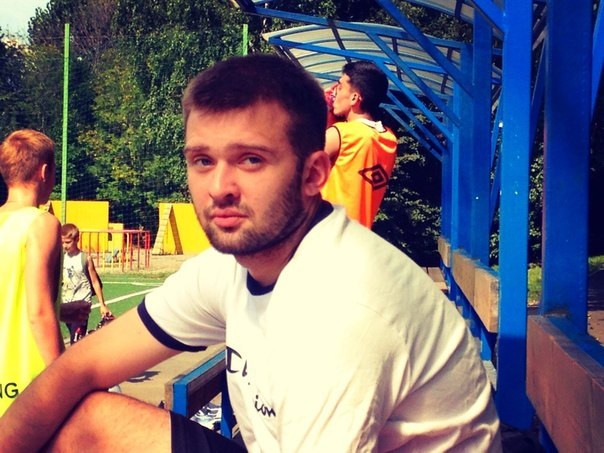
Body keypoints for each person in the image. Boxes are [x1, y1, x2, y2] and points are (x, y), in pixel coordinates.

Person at [0, 54, 501, 452]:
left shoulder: (344, 310)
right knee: (84, 420)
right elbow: (77, 367)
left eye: (251, 159)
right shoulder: (231, 265)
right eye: (202, 160)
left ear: (313, 175)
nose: (219, 187)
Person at [0, 129, 64, 416]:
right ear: (45, 172)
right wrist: (64, 380)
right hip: (26, 382)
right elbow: (37, 312)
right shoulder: (41, 223)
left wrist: (63, 309)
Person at [322, 60, 398, 228]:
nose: (334, 91)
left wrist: (319, 108)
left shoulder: (342, 134)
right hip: (358, 236)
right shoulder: (389, 138)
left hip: (325, 234)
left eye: (340, 86)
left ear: (354, 97)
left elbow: (295, 165)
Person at [60, 223, 112, 344]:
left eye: (68, 242)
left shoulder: (85, 258)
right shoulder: (62, 257)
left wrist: (102, 304)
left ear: (77, 239)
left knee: (76, 341)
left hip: (82, 304)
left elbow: (95, 281)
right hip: (66, 304)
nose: (64, 246)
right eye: (62, 242)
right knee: (76, 338)